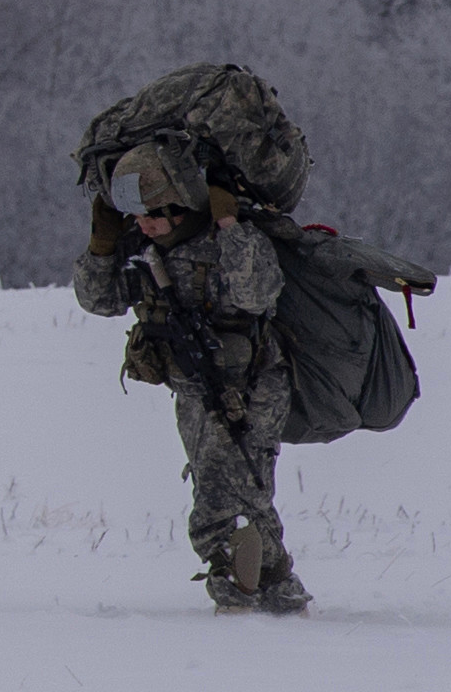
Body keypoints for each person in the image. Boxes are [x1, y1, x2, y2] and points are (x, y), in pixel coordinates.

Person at [75, 139, 308, 615]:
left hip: (254, 382)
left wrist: (229, 226)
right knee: (234, 486)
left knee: (225, 492)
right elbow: (100, 301)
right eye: (138, 217)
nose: (144, 225)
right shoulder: (142, 249)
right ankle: (279, 587)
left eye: (154, 215)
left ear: (181, 206)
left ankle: (233, 594)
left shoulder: (227, 241)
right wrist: (101, 248)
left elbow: (257, 292)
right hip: (193, 388)